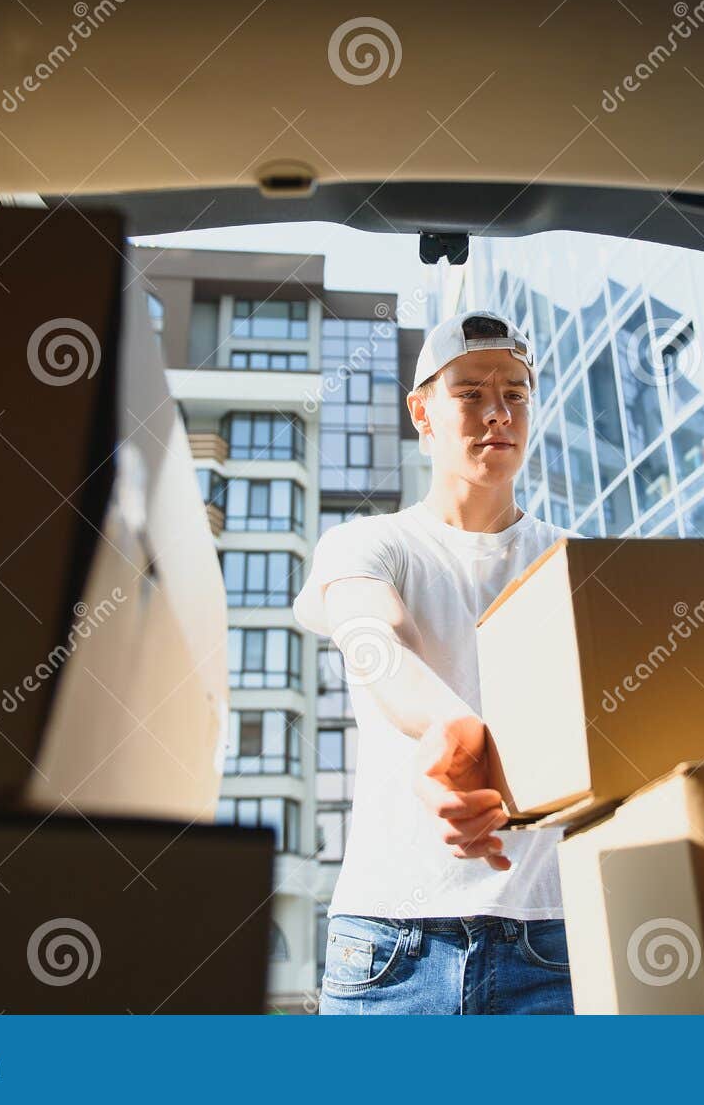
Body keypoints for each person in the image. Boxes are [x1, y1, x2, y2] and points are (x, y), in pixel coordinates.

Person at [292, 310, 574, 1015]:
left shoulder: (574, 561)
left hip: (553, 940)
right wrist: (450, 728)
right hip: (388, 947)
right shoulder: (367, 544)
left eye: (514, 393)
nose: (497, 412)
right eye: (470, 393)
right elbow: (375, 636)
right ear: (422, 414)